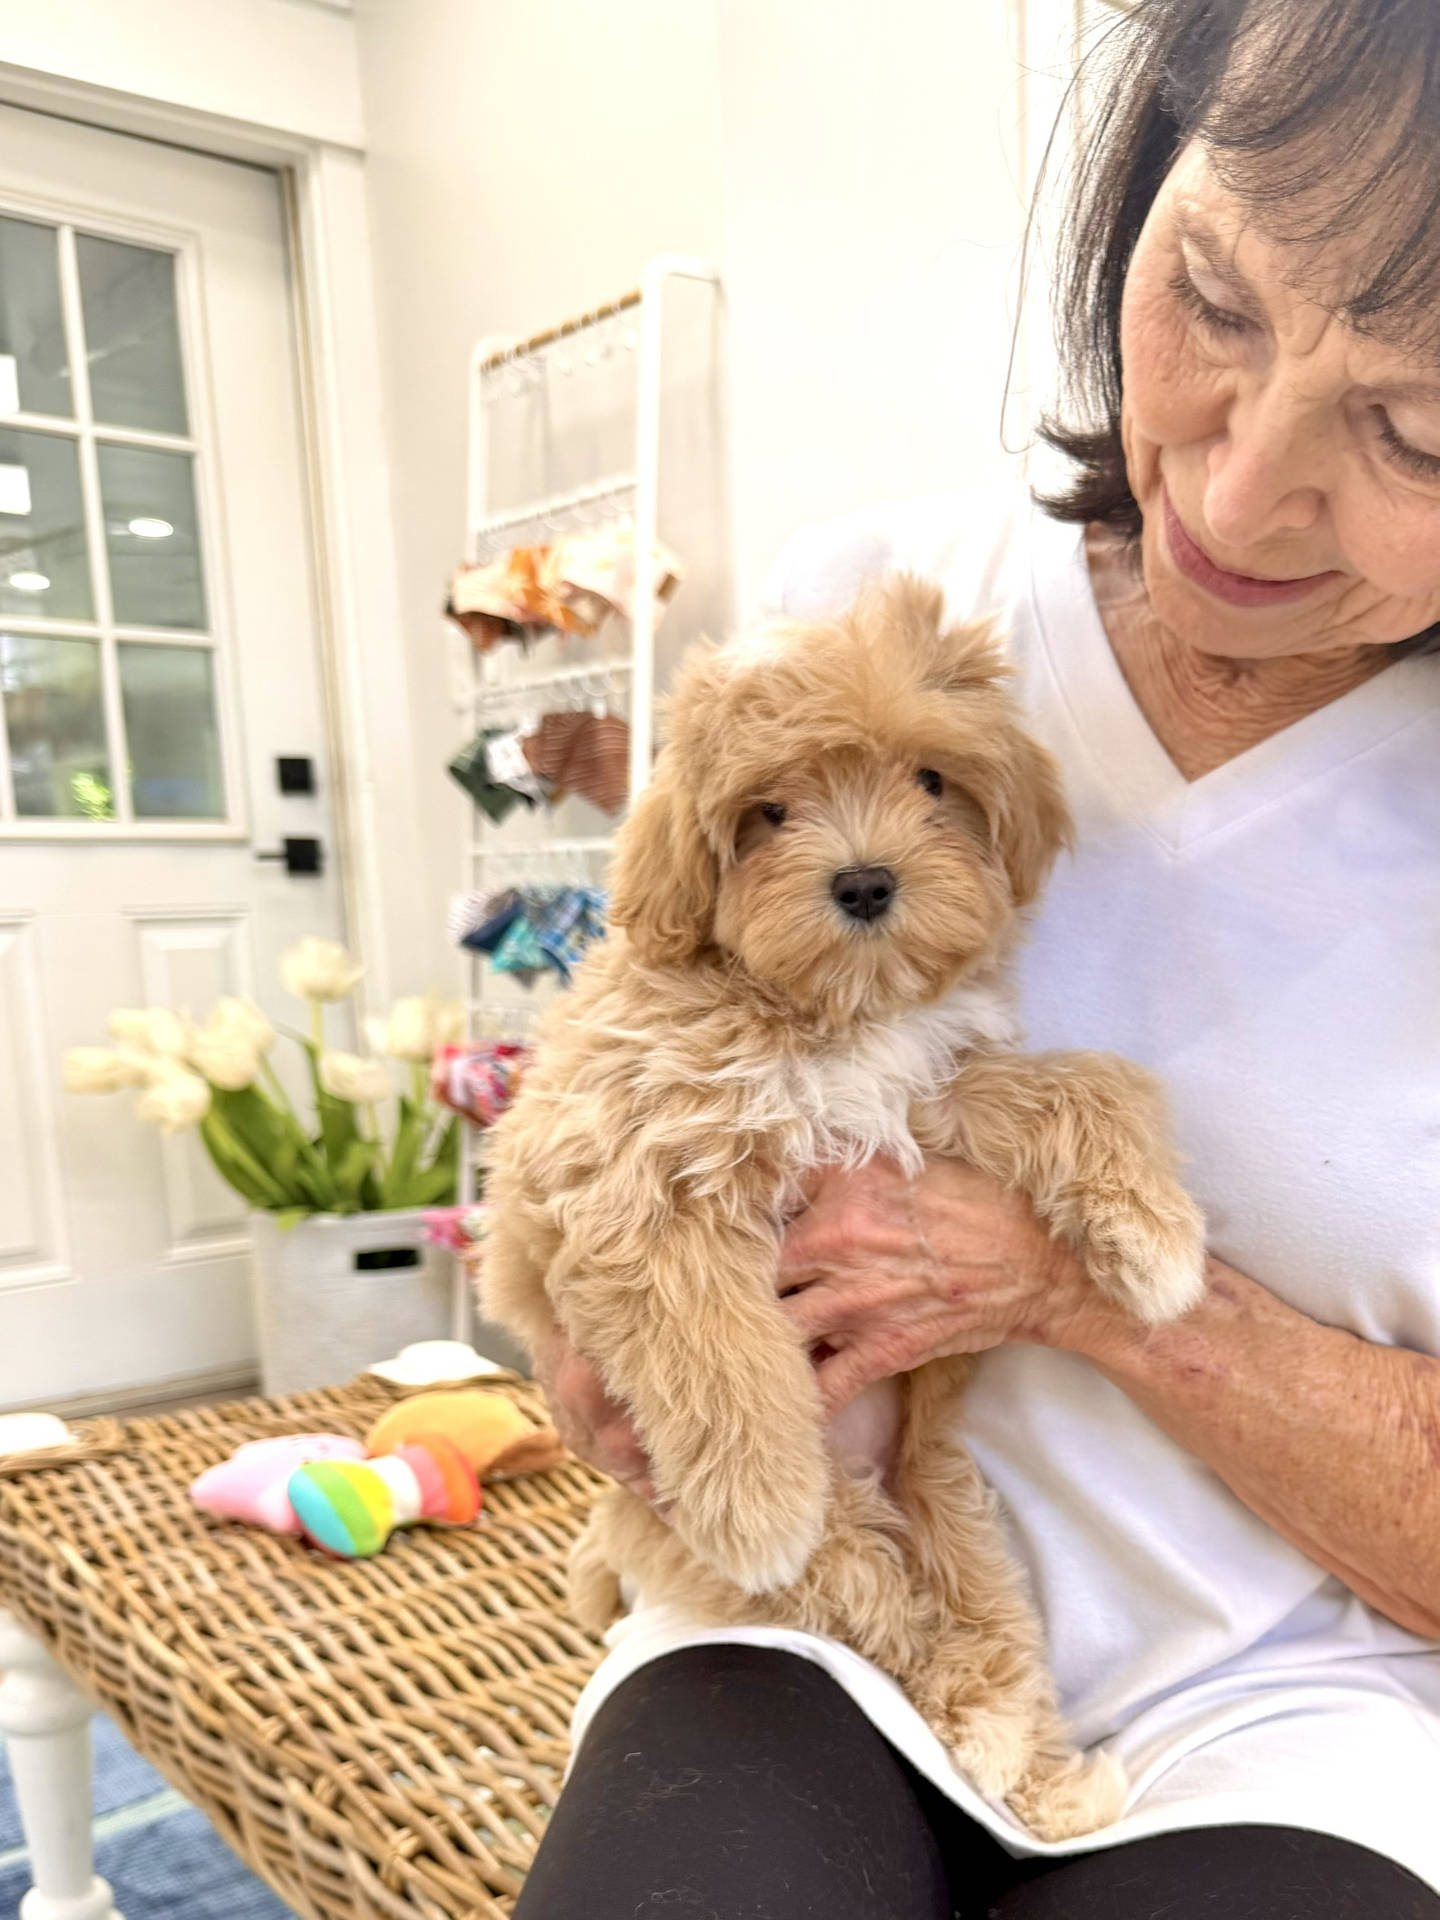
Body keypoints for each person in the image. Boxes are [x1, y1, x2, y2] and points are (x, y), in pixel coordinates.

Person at [510, 1, 1440, 1913]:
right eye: (1214, 299)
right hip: (802, 1600)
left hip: (1308, 1708)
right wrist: (597, 1342)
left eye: (1418, 430)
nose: (1238, 492)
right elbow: (638, 1045)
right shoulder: (866, 601)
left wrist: (1083, 1290)